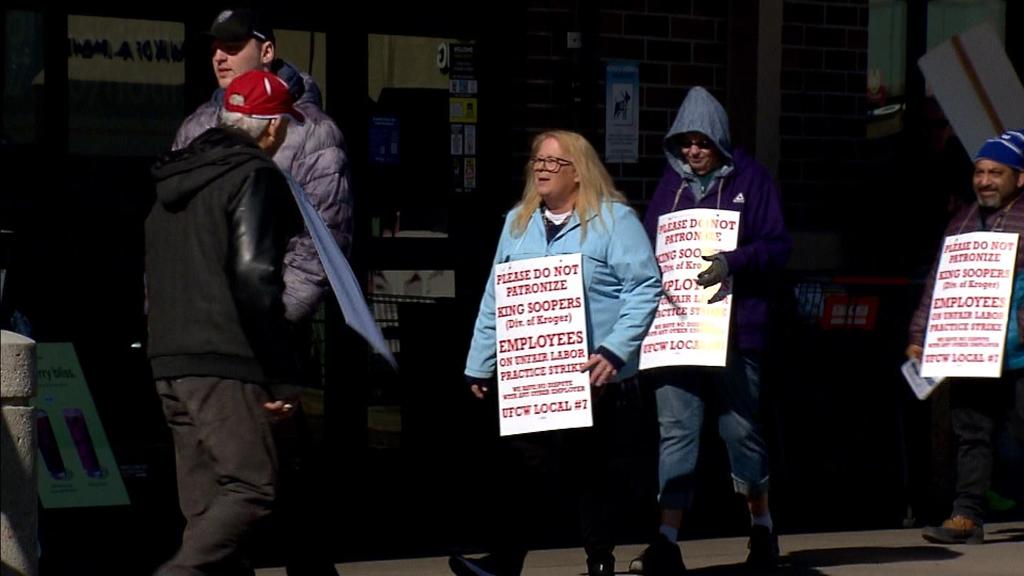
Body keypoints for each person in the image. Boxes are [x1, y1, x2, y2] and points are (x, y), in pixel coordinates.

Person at [174, 10, 351, 574]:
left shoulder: (311, 133)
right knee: (206, 471)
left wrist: (269, 330)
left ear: (267, 51)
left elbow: (317, 253)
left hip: (271, 330)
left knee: (275, 474)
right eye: (214, 48)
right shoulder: (198, 126)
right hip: (203, 331)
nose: (220, 57)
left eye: (233, 46)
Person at [449, 130, 662, 576]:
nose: (542, 169)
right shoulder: (517, 222)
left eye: (553, 162)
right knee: (521, 471)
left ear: (579, 172)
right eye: (537, 162)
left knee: (590, 472)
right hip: (534, 375)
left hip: (594, 375)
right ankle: (505, 561)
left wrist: (614, 351)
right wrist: (479, 362)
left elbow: (644, 287)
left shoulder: (613, 221)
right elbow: (496, 295)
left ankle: (599, 561)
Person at [146, 69, 304, 576]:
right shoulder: (254, 177)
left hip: (169, 358)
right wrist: (280, 370)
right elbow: (257, 277)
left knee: (206, 504)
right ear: (273, 128)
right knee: (252, 486)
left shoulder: (174, 181)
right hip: (223, 359)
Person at [634, 87, 791, 574]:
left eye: (702, 142)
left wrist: (734, 262)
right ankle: (666, 540)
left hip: (735, 331)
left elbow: (779, 244)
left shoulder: (753, 180)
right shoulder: (669, 187)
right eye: (686, 142)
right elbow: (647, 247)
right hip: (677, 331)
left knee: (740, 431)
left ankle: (762, 531)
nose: (694, 151)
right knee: (676, 432)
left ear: (720, 140)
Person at [908, 128, 1024, 545]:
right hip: (972, 351)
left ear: (1020, 177)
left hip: (1019, 354)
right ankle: (966, 516)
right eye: (979, 172)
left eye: (995, 172)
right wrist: (921, 337)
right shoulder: (960, 223)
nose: (985, 181)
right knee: (970, 433)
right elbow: (938, 284)